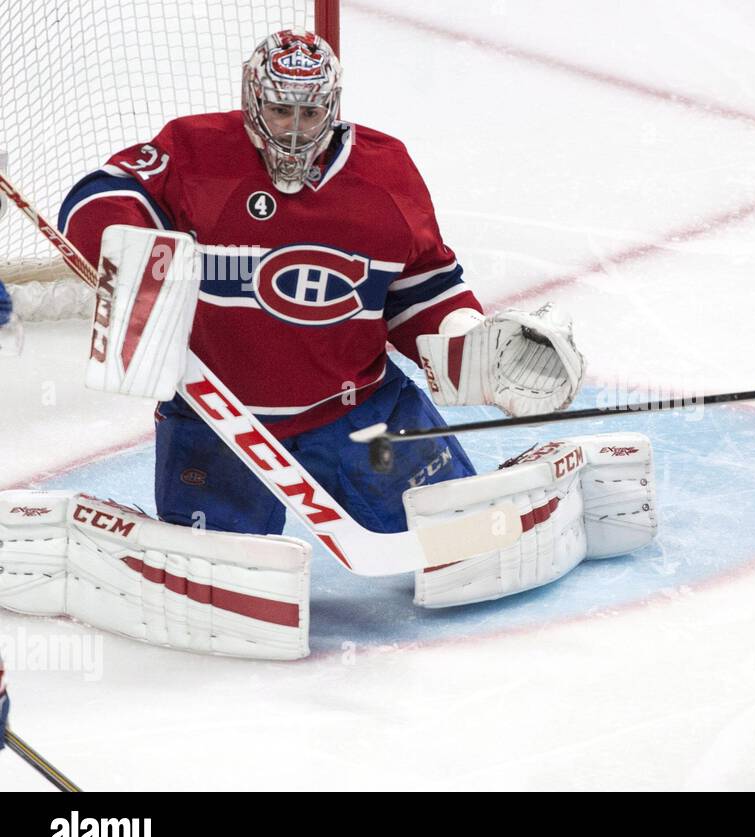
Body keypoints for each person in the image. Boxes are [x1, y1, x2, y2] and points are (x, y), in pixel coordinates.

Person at [57, 30, 575, 537]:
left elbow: (419, 290)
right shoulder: (197, 152)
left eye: (310, 113)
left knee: (459, 537)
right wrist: (132, 250)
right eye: (282, 110)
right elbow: (96, 196)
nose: (295, 131)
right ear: (252, 99)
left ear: (333, 105)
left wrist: (469, 339)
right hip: (216, 418)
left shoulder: (384, 172)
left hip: (359, 411)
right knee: (216, 569)